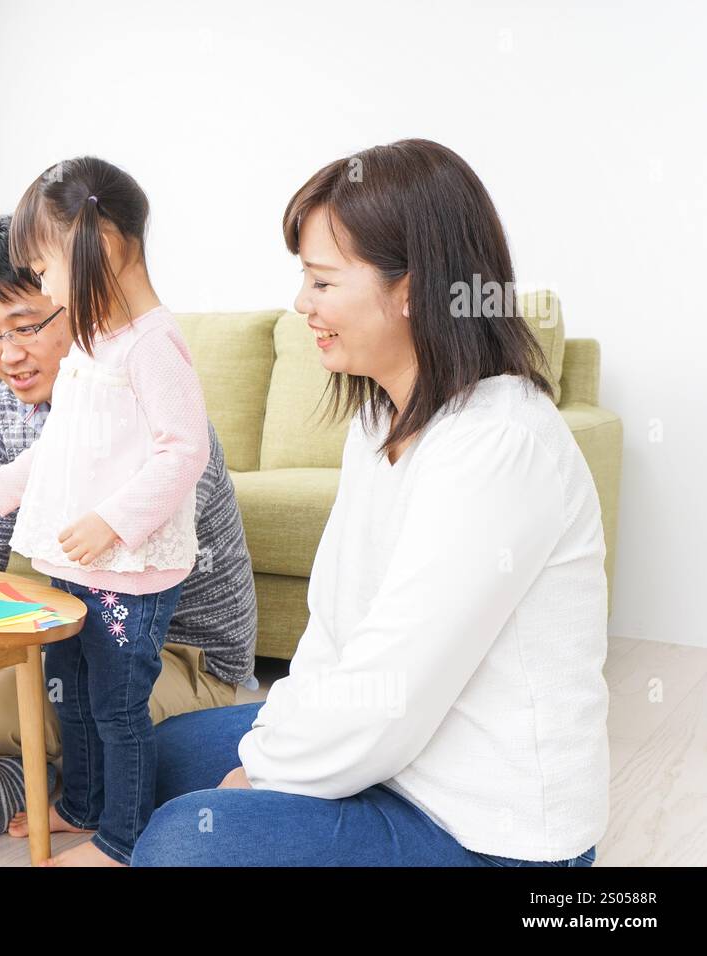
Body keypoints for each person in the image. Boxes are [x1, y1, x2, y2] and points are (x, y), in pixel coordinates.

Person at [132, 139, 607, 867]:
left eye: (322, 282)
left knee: (181, 845)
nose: (302, 304)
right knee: (153, 757)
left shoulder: (500, 444)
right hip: (392, 764)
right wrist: (270, 758)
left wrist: (257, 775)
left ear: (412, 287)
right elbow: (336, 633)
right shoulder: (381, 418)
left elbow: (391, 696)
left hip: (485, 834)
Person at [0, 216, 256, 841]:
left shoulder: (142, 397)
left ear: (72, 302)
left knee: (37, 701)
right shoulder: (10, 411)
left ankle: (14, 768)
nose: (9, 354)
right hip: (76, 616)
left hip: (180, 653)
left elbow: (149, 535)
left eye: (27, 326)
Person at [0, 157, 210, 866]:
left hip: (126, 573)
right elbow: (59, 448)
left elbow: (185, 452)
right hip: (72, 568)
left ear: (108, 245)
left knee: (117, 709)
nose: (43, 285)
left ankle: (123, 838)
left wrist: (114, 521)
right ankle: (81, 804)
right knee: (68, 694)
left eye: (45, 268)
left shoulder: (152, 343)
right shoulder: (93, 343)